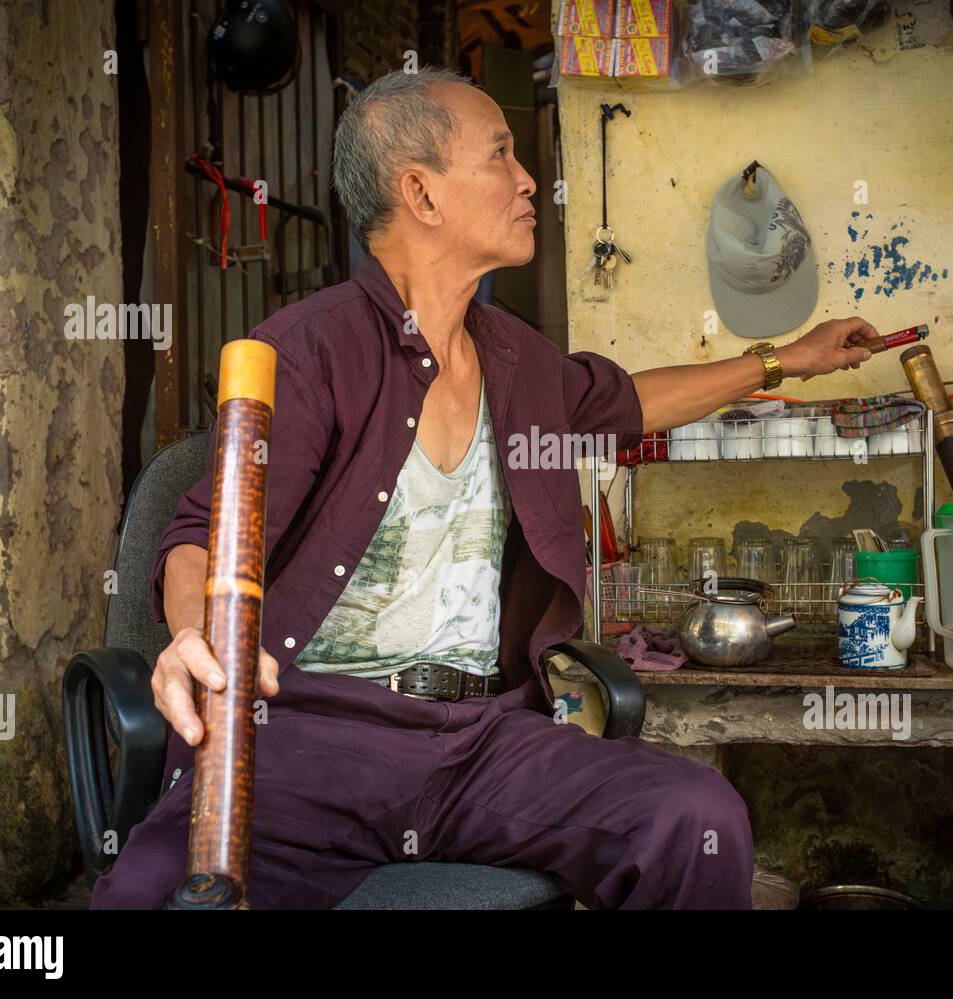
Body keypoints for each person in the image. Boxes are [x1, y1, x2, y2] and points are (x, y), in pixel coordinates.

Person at [91, 67, 875, 910]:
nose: (529, 178)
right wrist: (189, 637)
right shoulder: (310, 352)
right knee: (149, 890)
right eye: (500, 154)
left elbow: (632, 401)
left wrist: (784, 358)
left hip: (479, 741)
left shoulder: (517, 359)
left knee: (693, 814)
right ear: (421, 193)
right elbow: (202, 533)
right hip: (306, 741)